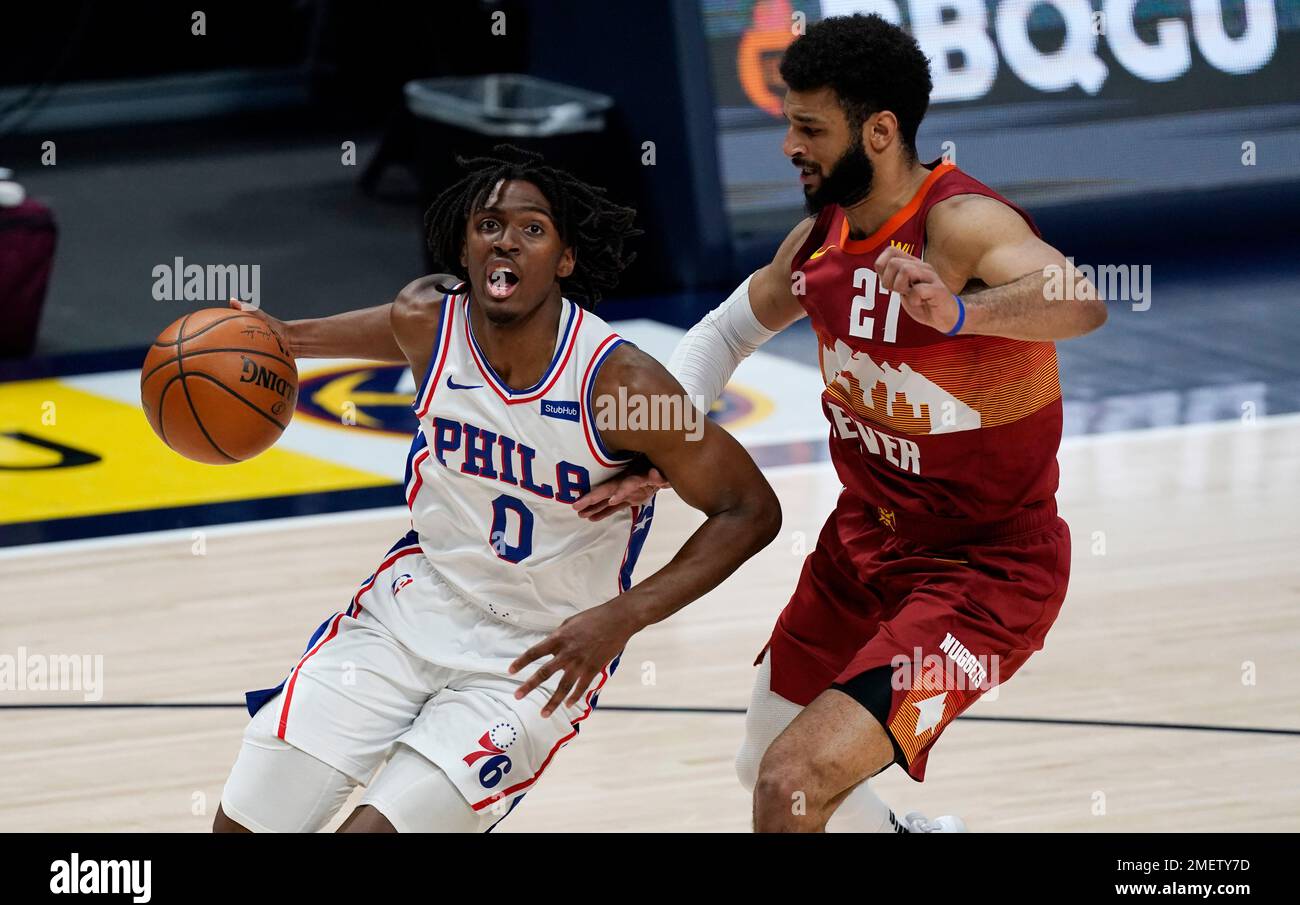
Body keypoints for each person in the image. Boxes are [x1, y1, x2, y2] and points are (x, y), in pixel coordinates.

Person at [575, 14, 1106, 832]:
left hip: (984, 572)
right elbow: (722, 332)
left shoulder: (956, 226)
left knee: (790, 780)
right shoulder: (821, 241)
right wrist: (665, 440)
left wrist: (961, 311)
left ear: (881, 131)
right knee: (764, 760)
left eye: (808, 126)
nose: (788, 143)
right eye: (790, 121)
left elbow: (1081, 298)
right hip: (860, 549)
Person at [212, 146, 781, 832]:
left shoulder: (620, 386)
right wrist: (283, 337)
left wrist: (625, 616)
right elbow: (360, 332)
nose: (506, 238)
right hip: (408, 615)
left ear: (565, 260)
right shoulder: (427, 319)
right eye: (488, 224)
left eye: (532, 228)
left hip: (536, 660)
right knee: (242, 827)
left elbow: (750, 509)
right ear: (464, 245)